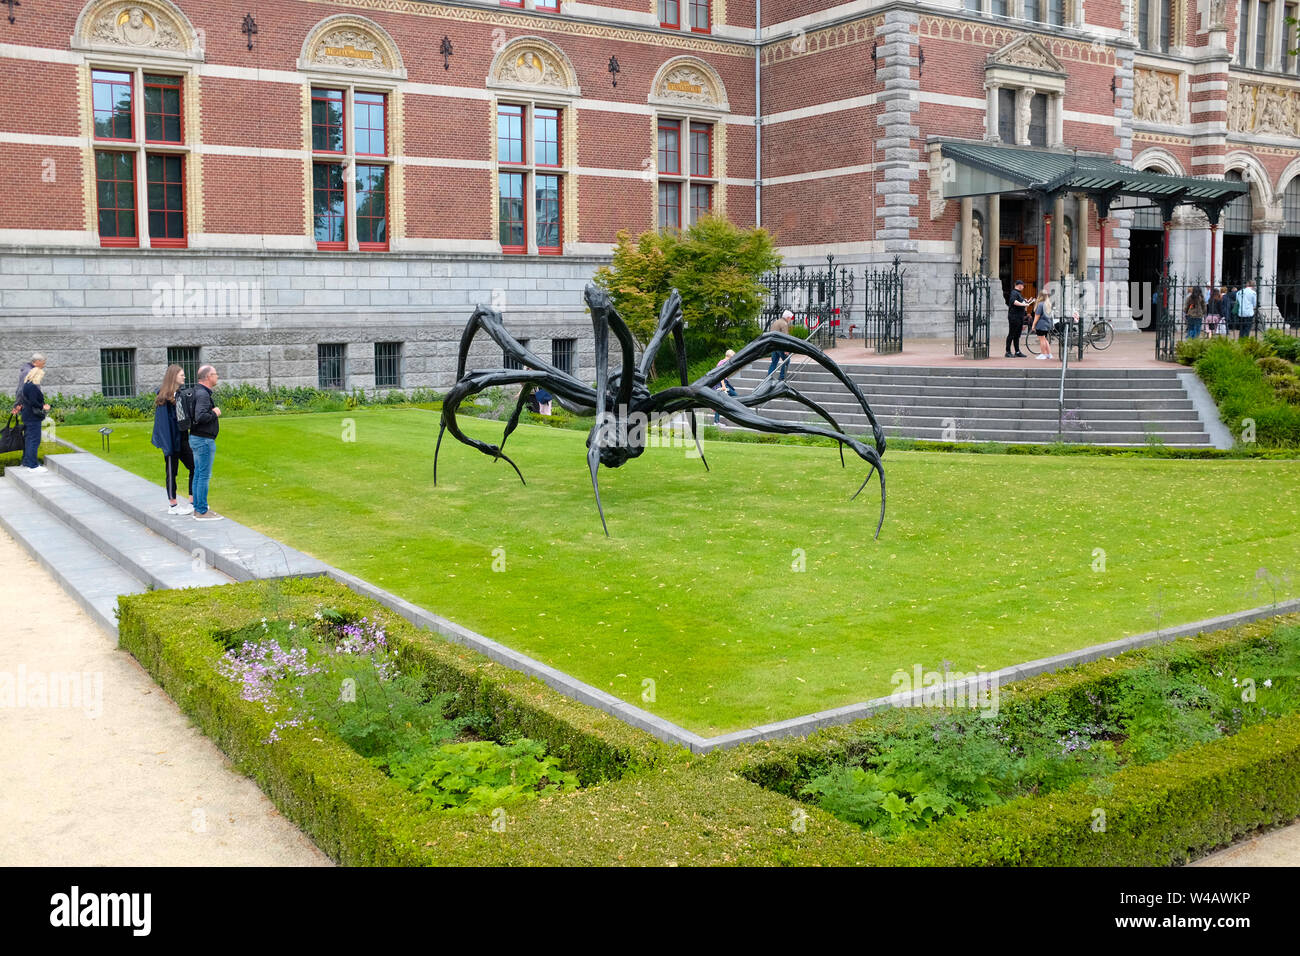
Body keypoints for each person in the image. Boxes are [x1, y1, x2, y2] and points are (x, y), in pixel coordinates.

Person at [151, 364, 194, 515]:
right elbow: (163, 424)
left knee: (194, 466)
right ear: (174, 376)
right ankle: (173, 505)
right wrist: (167, 445)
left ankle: (192, 500)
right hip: (170, 440)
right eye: (182, 375)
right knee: (171, 471)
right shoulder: (164, 398)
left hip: (182, 438)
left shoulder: (180, 395)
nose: (184, 377)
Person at [189, 364, 223, 521]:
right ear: (208, 377)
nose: (217, 377)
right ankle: (202, 511)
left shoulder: (197, 391)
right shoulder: (203, 394)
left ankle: (198, 508)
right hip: (203, 440)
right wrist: (214, 413)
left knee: (198, 474)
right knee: (203, 475)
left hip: (196, 438)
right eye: (215, 374)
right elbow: (200, 416)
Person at [18, 366, 50, 470]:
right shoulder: (32, 387)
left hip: (27, 415)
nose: (41, 378)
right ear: (37, 376)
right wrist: (43, 406)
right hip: (33, 417)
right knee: (34, 440)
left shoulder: (26, 385)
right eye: (41, 376)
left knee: (28, 440)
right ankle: (33, 465)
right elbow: (33, 402)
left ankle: (27, 461)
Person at [13, 352, 45, 416]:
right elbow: (21, 389)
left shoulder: (33, 371)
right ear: (37, 362)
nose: (44, 365)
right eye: (43, 363)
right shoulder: (28, 372)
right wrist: (17, 404)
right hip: (29, 406)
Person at [1005, 280, 1030, 357]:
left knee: (1017, 335)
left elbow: (1020, 303)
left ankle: (1017, 351)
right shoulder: (1014, 292)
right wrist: (1023, 304)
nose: (1023, 287)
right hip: (1014, 317)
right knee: (1011, 334)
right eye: (1023, 285)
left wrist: (1026, 302)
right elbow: (1013, 301)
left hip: (1019, 317)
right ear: (1019, 285)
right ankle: (1008, 352)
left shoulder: (1019, 294)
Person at [713, 349, 736, 426]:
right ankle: (716, 421)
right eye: (733, 356)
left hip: (724, 383)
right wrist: (723, 386)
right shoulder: (723, 363)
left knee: (723, 400)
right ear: (730, 356)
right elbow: (720, 376)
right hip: (722, 384)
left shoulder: (723, 362)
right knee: (733, 396)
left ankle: (716, 421)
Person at [768, 310, 792, 381]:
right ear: (787, 317)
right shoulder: (784, 324)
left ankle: (769, 377)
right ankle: (782, 377)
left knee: (774, 362)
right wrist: (786, 349)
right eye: (790, 318)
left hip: (773, 346)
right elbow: (785, 337)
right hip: (780, 346)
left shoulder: (776, 322)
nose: (790, 320)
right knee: (786, 361)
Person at [1031, 291, 1055, 360]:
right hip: (1047, 324)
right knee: (1045, 339)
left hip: (1041, 324)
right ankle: (1049, 354)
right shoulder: (1048, 304)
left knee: (1041, 339)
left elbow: (1037, 316)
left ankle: (1043, 354)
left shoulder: (1040, 304)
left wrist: (1033, 325)